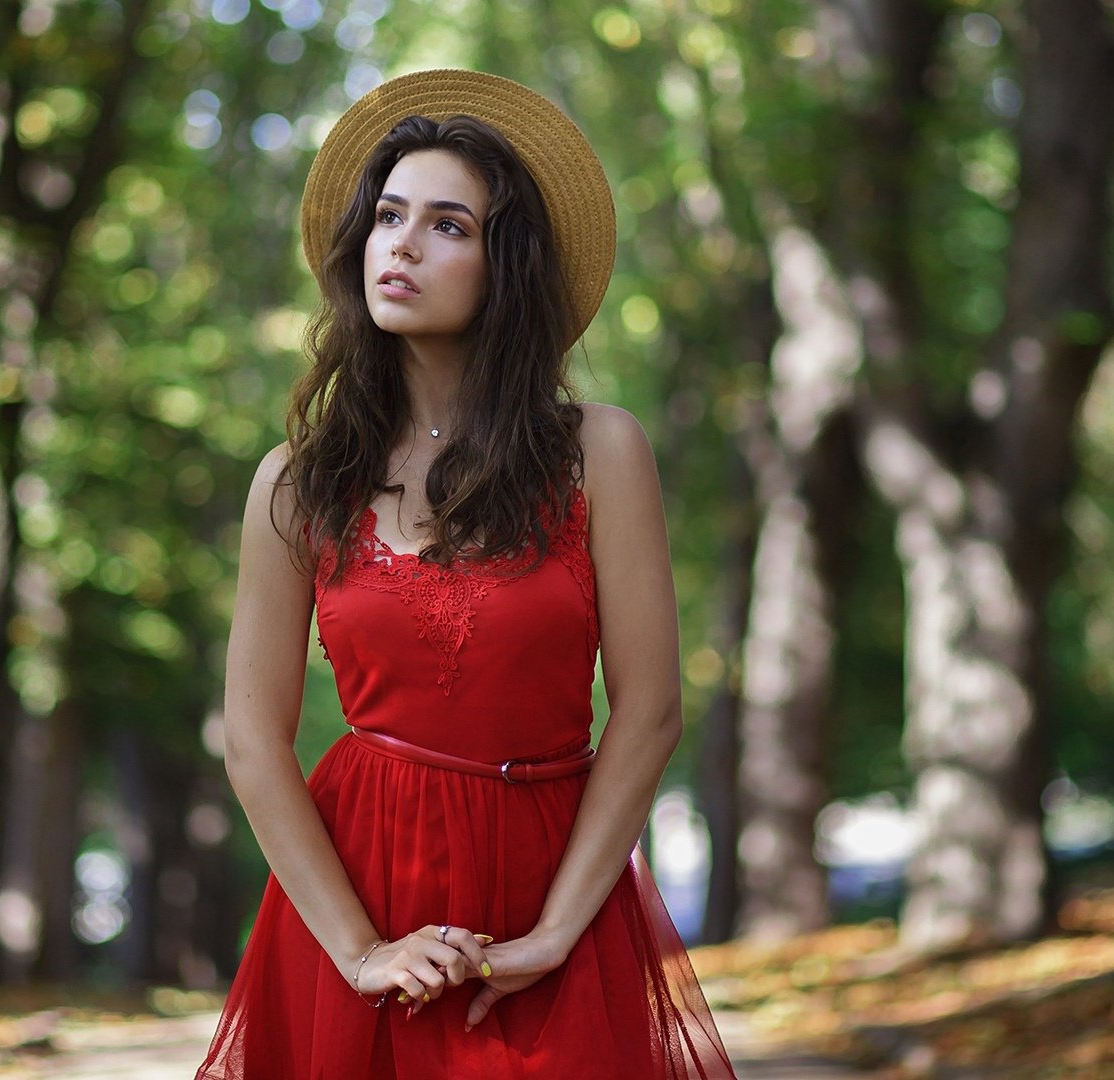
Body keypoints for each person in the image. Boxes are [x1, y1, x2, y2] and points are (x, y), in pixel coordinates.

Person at [196, 68, 737, 1078]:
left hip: (553, 884)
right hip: (357, 889)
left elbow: (652, 709)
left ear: (507, 266)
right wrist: (360, 950)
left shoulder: (599, 453)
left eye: (448, 225)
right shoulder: (299, 482)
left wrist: (556, 932)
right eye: (388, 216)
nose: (402, 243)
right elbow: (253, 741)